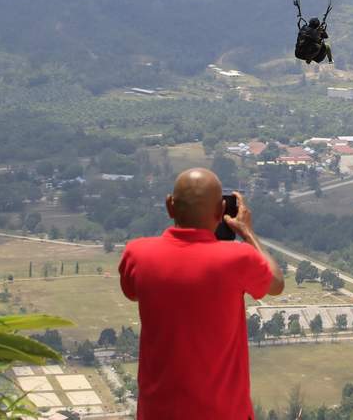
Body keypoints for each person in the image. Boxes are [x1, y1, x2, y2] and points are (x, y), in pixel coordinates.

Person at [118, 169, 284, 420]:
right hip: (224, 413)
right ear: (221, 212)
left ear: (169, 206)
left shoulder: (138, 254)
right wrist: (247, 232)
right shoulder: (237, 259)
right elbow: (276, 283)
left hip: (158, 413)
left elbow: (132, 293)